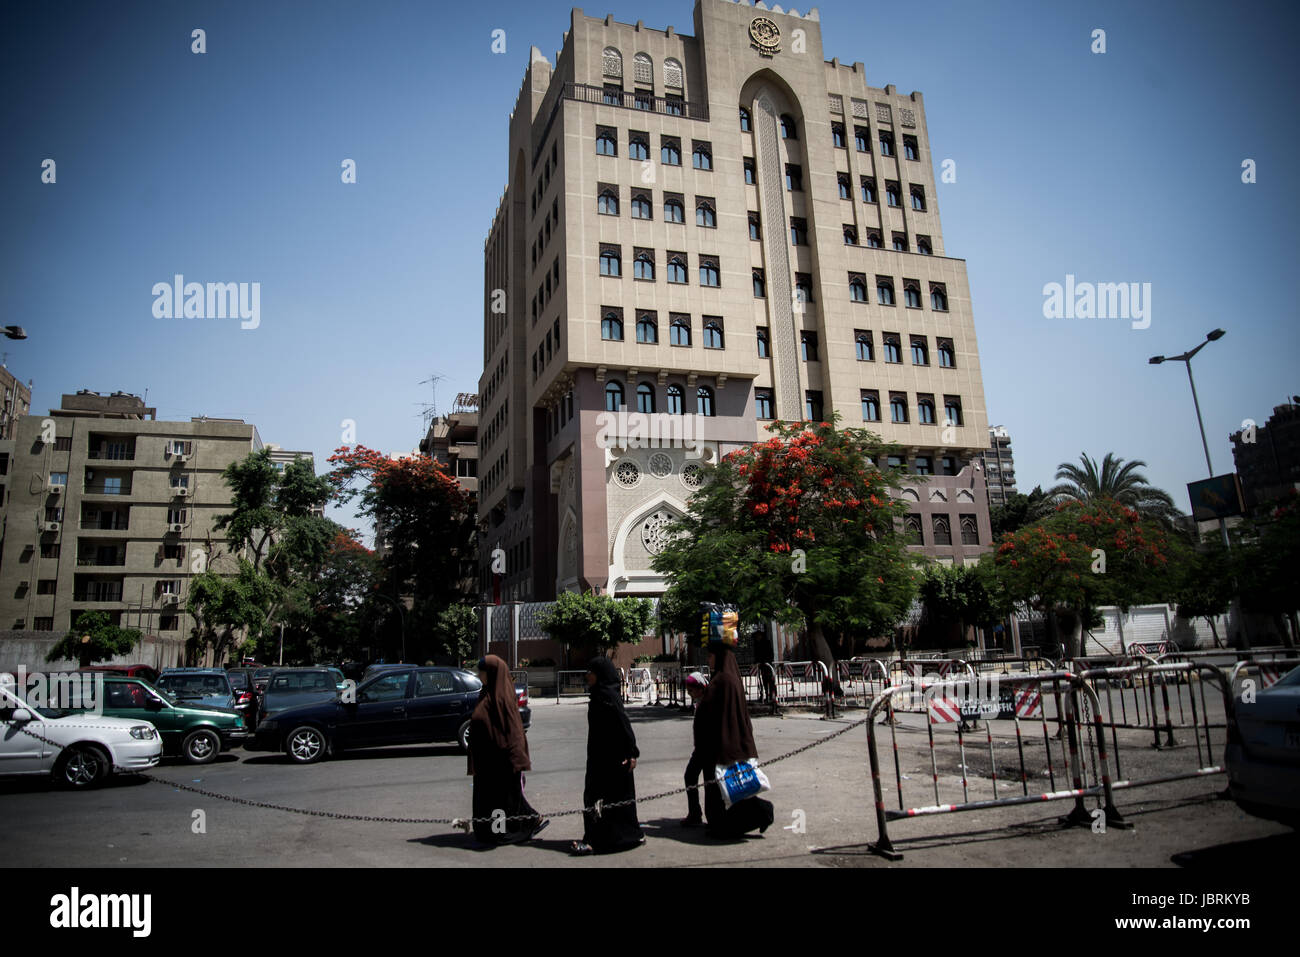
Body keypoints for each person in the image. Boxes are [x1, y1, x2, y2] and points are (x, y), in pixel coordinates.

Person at [696, 638, 775, 839]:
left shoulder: (724, 681)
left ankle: (761, 812)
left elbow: (719, 714)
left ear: (720, 657)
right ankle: (718, 824)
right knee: (724, 790)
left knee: (730, 791)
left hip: (724, 745)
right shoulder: (724, 678)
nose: (708, 659)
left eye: (711, 656)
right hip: (719, 745)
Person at [466, 655, 547, 845]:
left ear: (492, 673)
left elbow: (514, 733)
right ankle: (502, 829)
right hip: (487, 762)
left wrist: (517, 759)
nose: (479, 675)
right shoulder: (487, 693)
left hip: (499, 762)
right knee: (494, 800)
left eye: (482, 672)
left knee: (500, 801)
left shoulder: (501, 698)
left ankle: (499, 833)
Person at [572, 656, 645, 855]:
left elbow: (623, 725)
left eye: (591, 672)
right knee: (612, 798)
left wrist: (632, 752)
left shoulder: (605, 696)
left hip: (608, 759)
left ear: (600, 674)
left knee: (597, 797)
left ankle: (595, 840)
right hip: (605, 756)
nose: (587, 675)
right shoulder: (602, 694)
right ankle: (623, 836)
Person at [681, 672, 709, 827]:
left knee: (691, 776)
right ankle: (695, 812)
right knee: (690, 776)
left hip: (705, 749)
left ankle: (695, 812)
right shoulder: (699, 702)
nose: (689, 694)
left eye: (691, 690)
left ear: (700, 688)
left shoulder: (707, 702)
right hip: (700, 748)